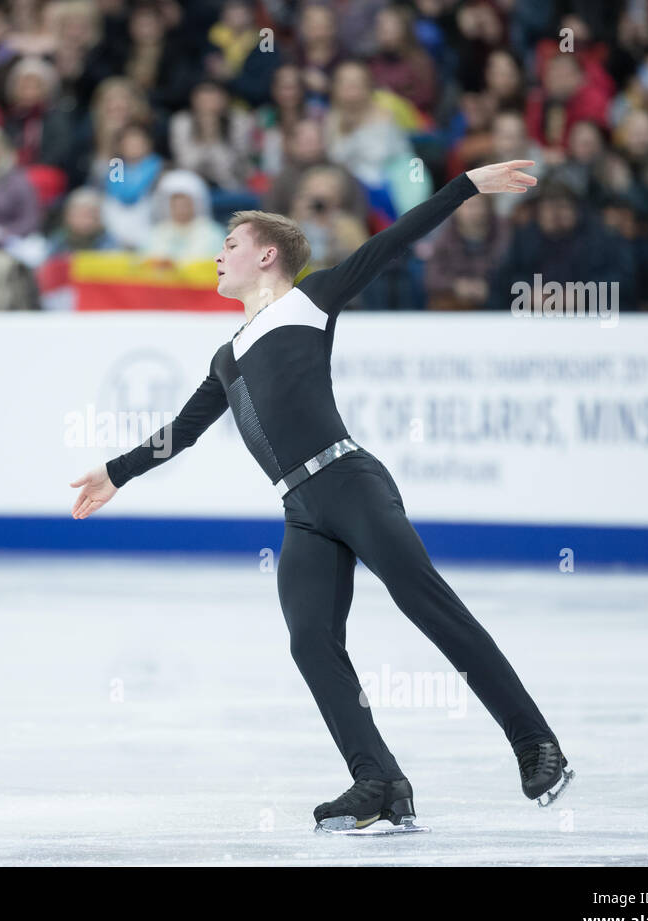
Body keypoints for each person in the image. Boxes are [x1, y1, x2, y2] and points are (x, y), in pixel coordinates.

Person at [69, 160, 573, 831]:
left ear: (267, 254)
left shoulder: (310, 300)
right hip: (301, 510)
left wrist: (467, 186)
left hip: (350, 480)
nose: (218, 256)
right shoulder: (228, 355)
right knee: (310, 641)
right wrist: (117, 471)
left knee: (428, 604)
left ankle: (536, 743)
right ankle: (380, 780)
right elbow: (184, 432)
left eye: (230, 246)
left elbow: (390, 242)